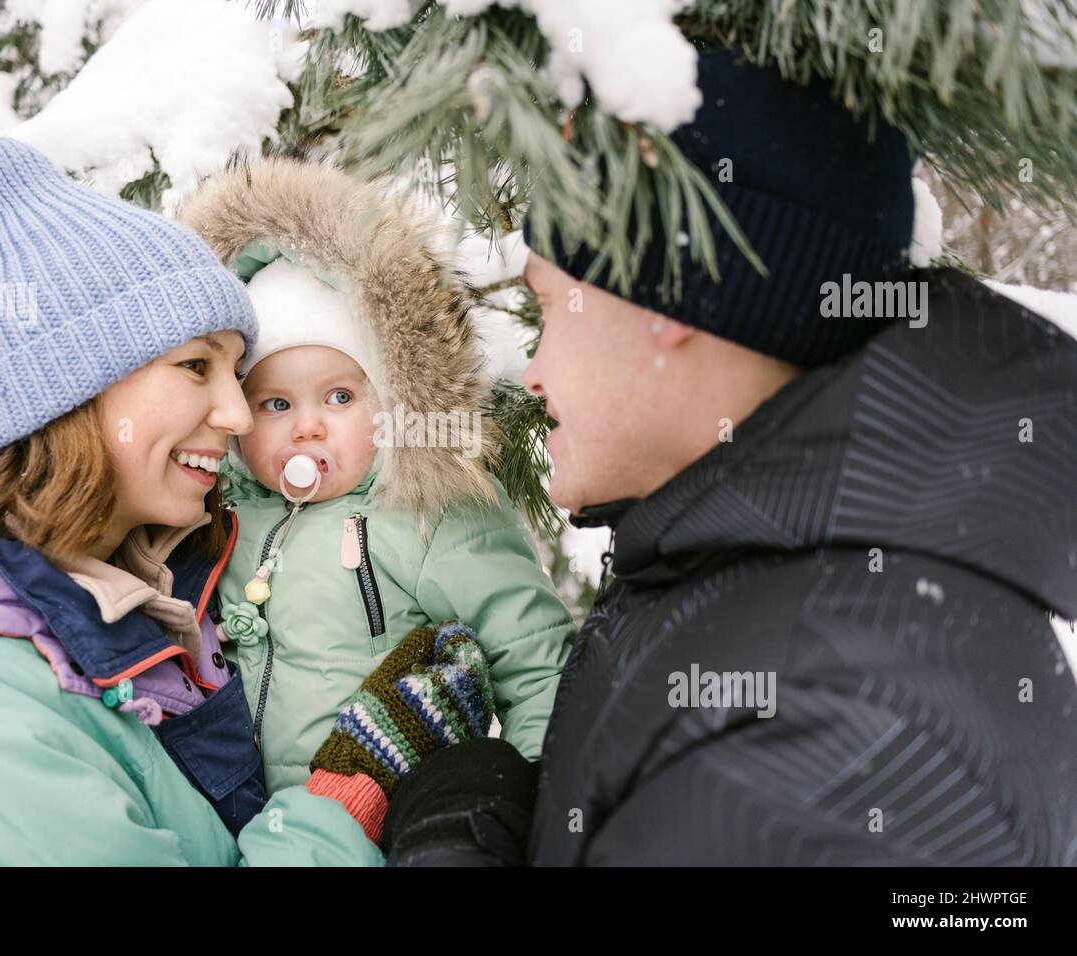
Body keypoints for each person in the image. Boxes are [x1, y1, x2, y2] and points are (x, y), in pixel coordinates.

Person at [382, 49, 1077, 866]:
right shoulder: (754, 569)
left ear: (670, 282)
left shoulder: (833, 739)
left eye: (550, 303)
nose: (532, 370)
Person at [0, 108, 494, 864]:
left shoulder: (145, 601)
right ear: (69, 395)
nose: (237, 411)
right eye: (196, 366)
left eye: (238, 372)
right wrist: (349, 800)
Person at [177, 158, 578, 797]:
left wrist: (537, 805)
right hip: (251, 830)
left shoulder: (432, 513)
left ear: (391, 403)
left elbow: (534, 664)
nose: (307, 428)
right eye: (275, 405)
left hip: (391, 824)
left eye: (339, 398)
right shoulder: (214, 524)